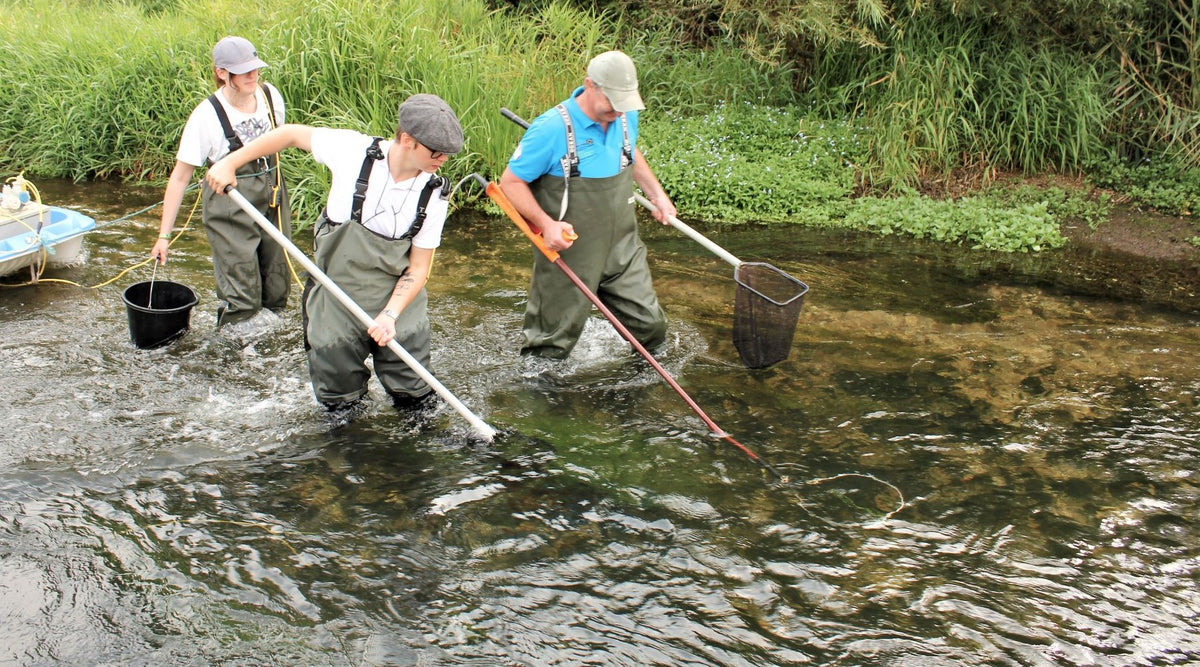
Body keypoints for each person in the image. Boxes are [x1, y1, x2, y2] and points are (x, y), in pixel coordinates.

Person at [205, 94, 464, 417]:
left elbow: (419, 267)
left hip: (397, 302)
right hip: (336, 294)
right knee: (340, 402)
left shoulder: (435, 194)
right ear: (407, 139)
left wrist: (390, 315)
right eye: (436, 151)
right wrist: (230, 163)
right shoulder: (353, 151)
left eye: (448, 154)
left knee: (415, 398)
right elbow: (289, 134)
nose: (443, 160)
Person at [499, 50, 677, 359]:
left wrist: (657, 194)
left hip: (622, 249)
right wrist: (546, 224)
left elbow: (629, 151)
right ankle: (539, 401)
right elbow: (510, 184)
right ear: (590, 85)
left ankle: (629, 400)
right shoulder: (551, 129)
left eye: (625, 104)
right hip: (569, 253)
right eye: (612, 102)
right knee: (549, 350)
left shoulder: (624, 115)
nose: (620, 111)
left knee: (650, 329)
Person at [151, 35, 292, 329]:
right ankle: (234, 356)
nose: (253, 75)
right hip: (230, 204)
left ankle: (271, 351)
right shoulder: (206, 116)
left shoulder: (270, 96)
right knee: (242, 294)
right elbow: (180, 177)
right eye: (243, 71)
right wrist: (164, 236)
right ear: (221, 73)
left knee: (277, 282)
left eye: (255, 68)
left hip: (273, 194)